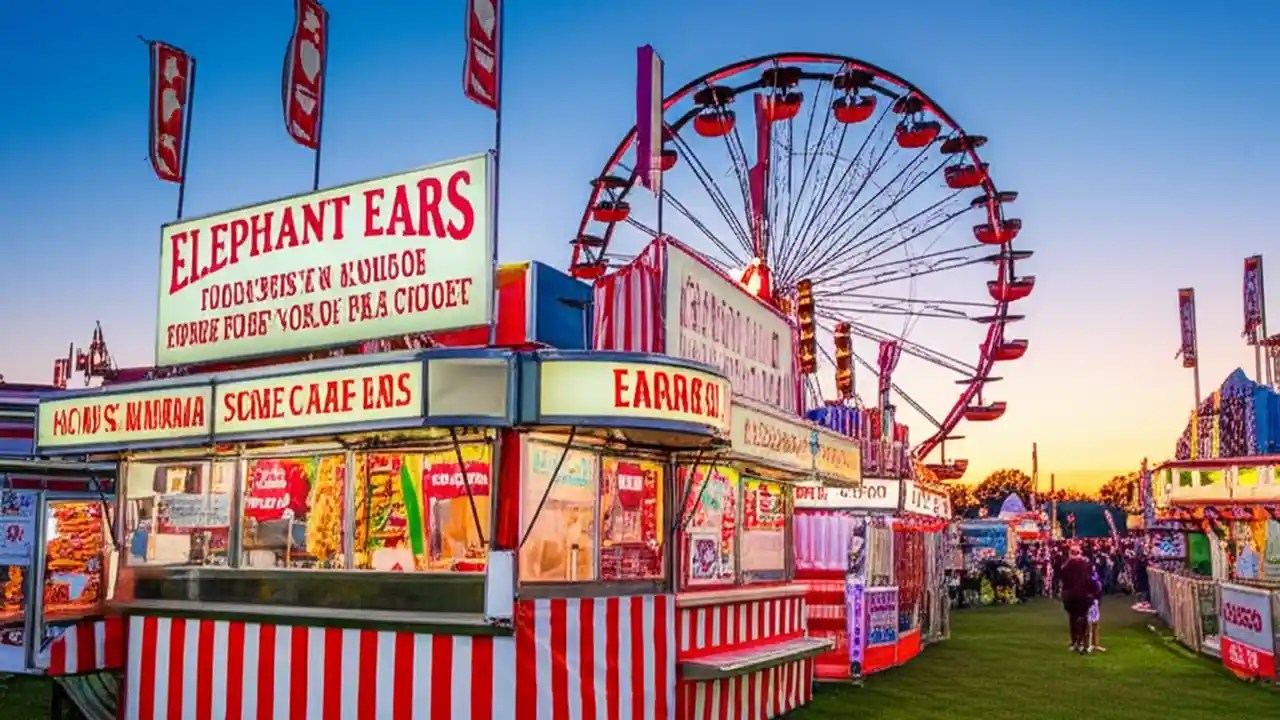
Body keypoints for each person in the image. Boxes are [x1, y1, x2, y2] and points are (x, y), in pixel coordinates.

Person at [1059, 543, 1101, 653]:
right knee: (1084, 619)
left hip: (1071, 596)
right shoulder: (1087, 565)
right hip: (1084, 596)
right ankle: (1083, 642)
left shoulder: (1067, 566)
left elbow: (1063, 579)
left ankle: (1075, 642)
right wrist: (1095, 593)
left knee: (1073, 619)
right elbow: (1092, 580)